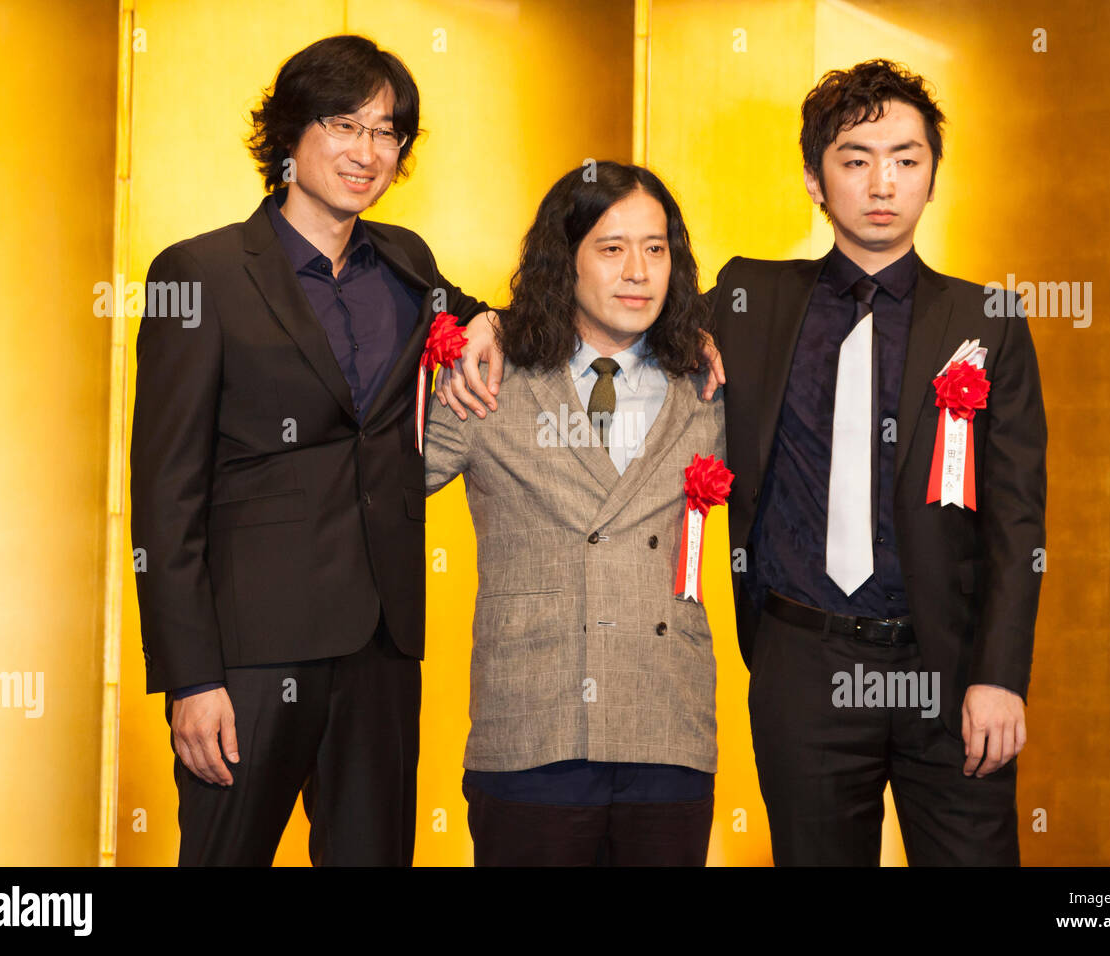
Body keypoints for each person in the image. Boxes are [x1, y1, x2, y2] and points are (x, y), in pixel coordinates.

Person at [440, 60, 1046, 866]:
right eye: (855, 159)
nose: (881, 183)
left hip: (949, 665)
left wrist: (1001, 676)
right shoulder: (749, 299)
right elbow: (603, 298)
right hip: (803, 662)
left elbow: (1015, 515)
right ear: (813, 178)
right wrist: (488, 322)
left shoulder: (987, 317)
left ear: (934, 176)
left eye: (906, 159)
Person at [130, 34, 494, 866]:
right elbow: (165, 493)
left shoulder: (406, 264)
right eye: (344, 124)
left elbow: (479, 312)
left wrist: (489, 320)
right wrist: (190, 678)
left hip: (381, 648)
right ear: (290, 133)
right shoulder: (202, 273)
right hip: (249, 654)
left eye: (388, 131)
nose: (368, 152)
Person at [424, 162, 727, 866]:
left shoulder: (705, 383)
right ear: (568, 261)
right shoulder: (489, 379)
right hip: (533, 726)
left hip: (667, 727)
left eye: (656, 249)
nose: (638, 271)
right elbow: (377, 496)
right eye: (611, 247)